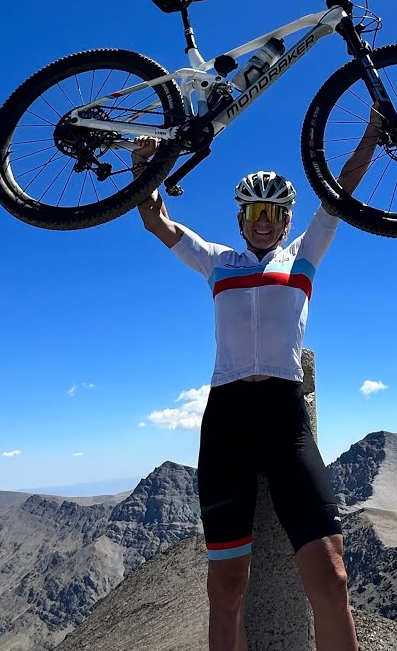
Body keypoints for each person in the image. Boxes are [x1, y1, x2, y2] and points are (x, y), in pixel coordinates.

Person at [130, 109, 382, 651]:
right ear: (241, 218)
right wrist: (143, 169)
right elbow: (158, 222)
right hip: (227, 425)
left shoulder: (303, 258)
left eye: (274, 211)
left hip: (286, 423)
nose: (263, 219)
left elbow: (340, 193)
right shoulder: (218, 261)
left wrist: (371, 134)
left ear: (287, 219)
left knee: (332, 576)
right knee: (226, 588)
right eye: (252, 210)